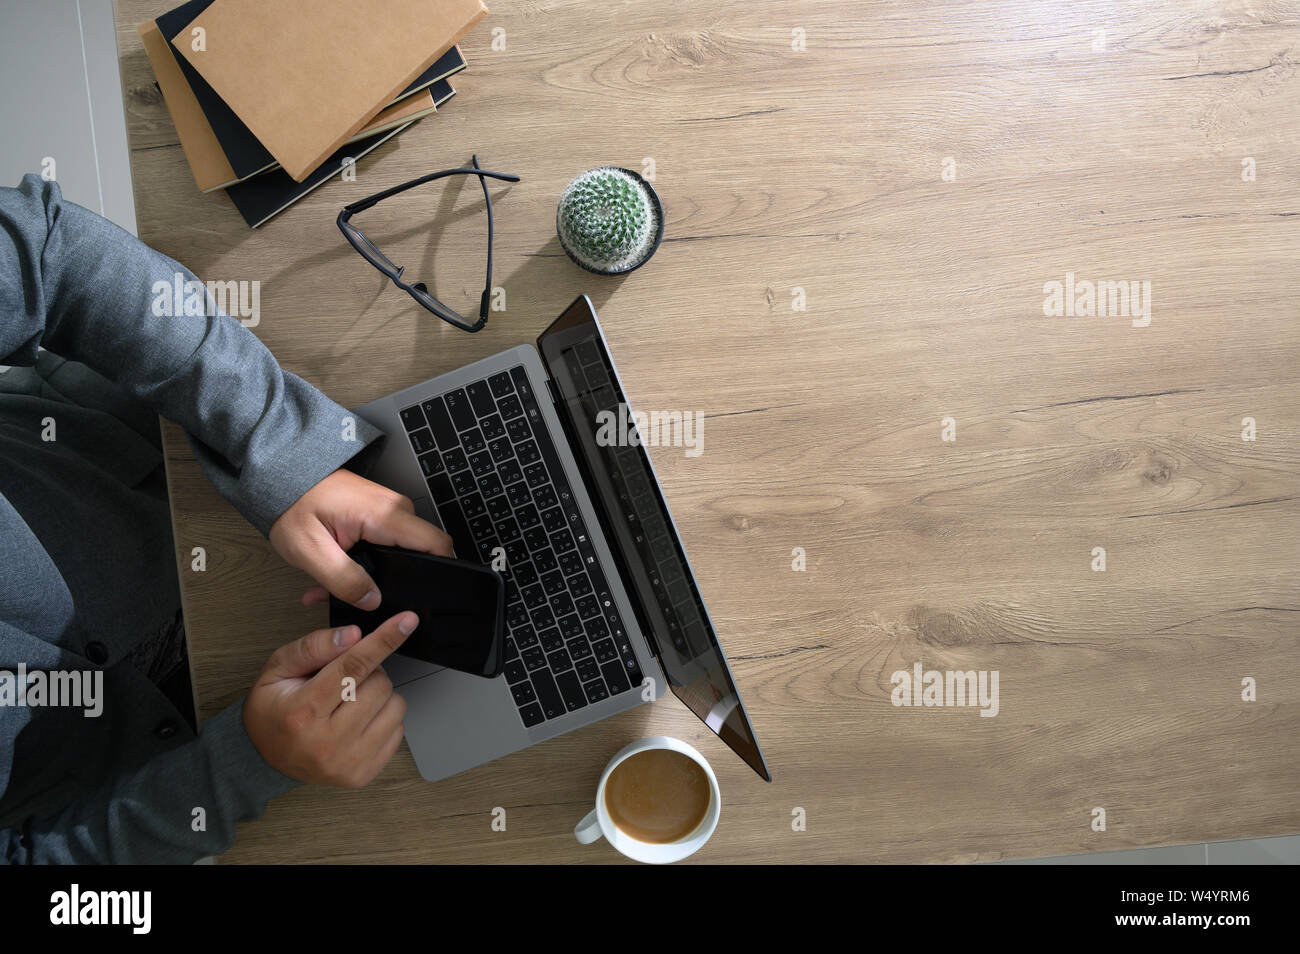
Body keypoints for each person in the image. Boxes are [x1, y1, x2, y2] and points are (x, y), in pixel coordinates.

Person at [0, 173, 453, 863]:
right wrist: (239, 771)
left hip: (179, 477)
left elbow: (50, 252)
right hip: (162, 792)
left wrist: (275, 446)